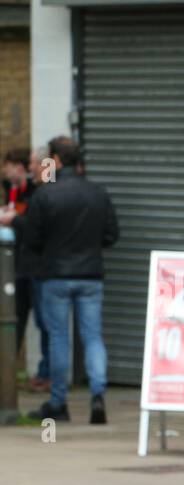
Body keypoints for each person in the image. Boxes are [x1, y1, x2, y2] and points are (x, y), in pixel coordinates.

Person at [16, 136, 117, 424]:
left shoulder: (45, 195)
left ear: (57, 160)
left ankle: (58, 403)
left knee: (59, 338)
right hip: (91, 276)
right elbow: (112, 235)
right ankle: (98, 397)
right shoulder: (98, 192)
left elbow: (32, 240)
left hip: (55, 277)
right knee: (93, 337)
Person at [1, 147, 47, 390]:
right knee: (14, 320)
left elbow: (34, 226)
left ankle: (45, 373)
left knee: (44, 322)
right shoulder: (13, 189)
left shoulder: (37, 191)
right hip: (17, 266)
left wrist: (13, 218)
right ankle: (7, 373)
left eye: (8, 167)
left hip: (36, 267)